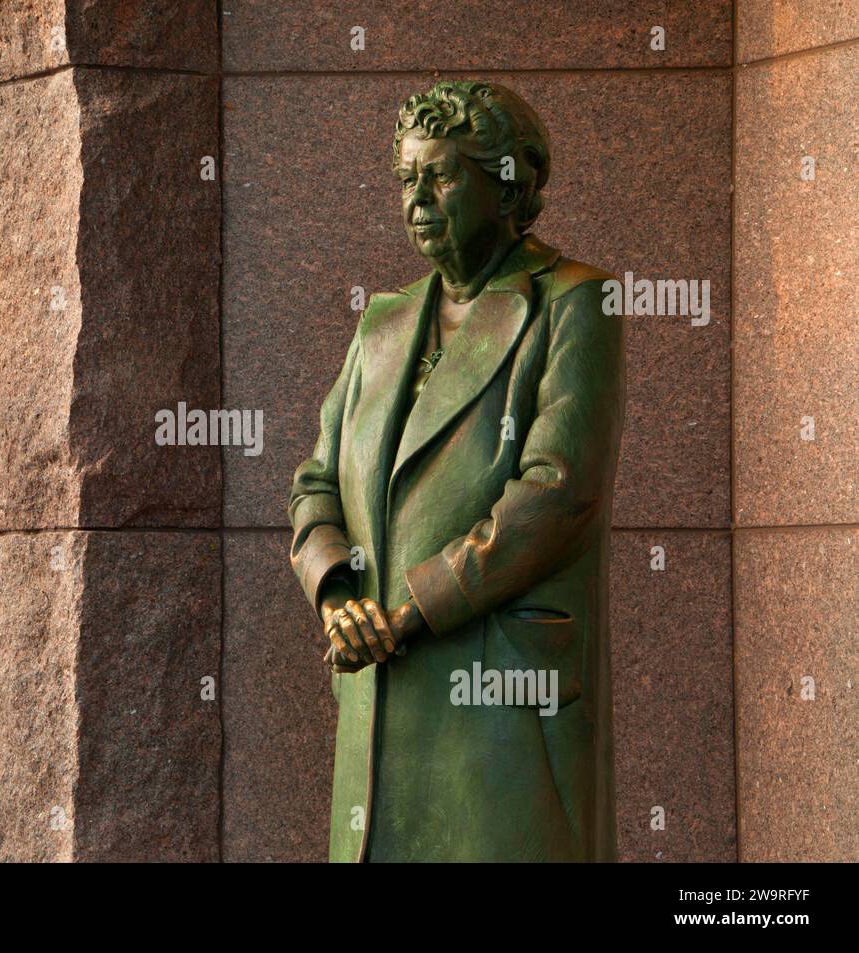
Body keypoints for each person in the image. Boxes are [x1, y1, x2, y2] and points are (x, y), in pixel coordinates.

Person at [288, 80, 624, 862]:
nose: (417, 198)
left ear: (507, 182)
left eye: (441, 175)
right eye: (407, 178)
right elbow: (316, 481)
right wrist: (338, 596)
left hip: (500, 713)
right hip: (376, 708)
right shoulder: (383, 320)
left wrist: (407, 611)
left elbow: (556, 495)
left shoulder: (576, 303)